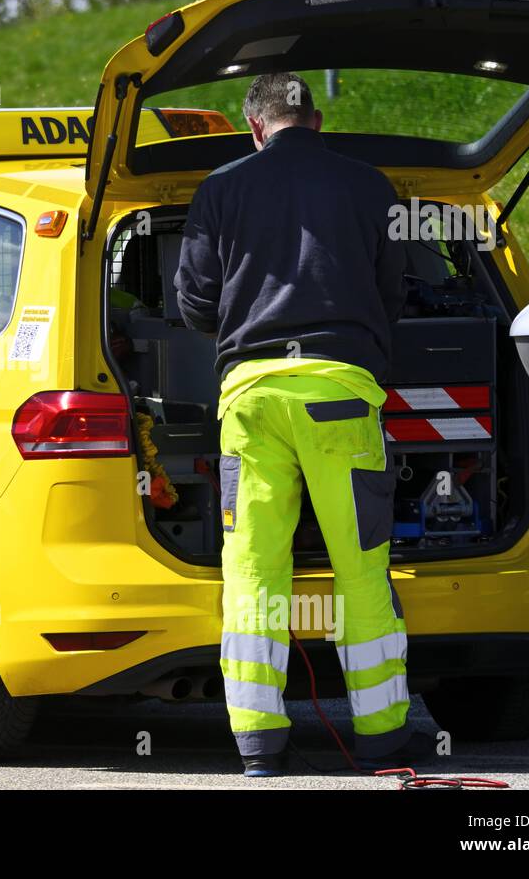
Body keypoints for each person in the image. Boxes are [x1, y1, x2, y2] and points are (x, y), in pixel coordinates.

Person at [175, 71, 430, 777]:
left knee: (254, 571)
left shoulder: (219, 188)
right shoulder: (369, 185)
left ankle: (259, 743)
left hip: (250, 401)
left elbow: (194, 303)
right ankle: (380, 737)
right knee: (361, 569)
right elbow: (392, 292)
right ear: (314, 121)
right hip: (341, 396)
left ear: (254, 127)